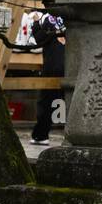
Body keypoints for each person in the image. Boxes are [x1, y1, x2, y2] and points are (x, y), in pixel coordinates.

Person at [30, 13, 66, 144]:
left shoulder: (48, 18)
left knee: (47, 101)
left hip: (52, 65)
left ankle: (41, 135)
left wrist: (35, 23)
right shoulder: (73, 13)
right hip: (71, 63)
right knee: (71, 99)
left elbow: (40, 39)